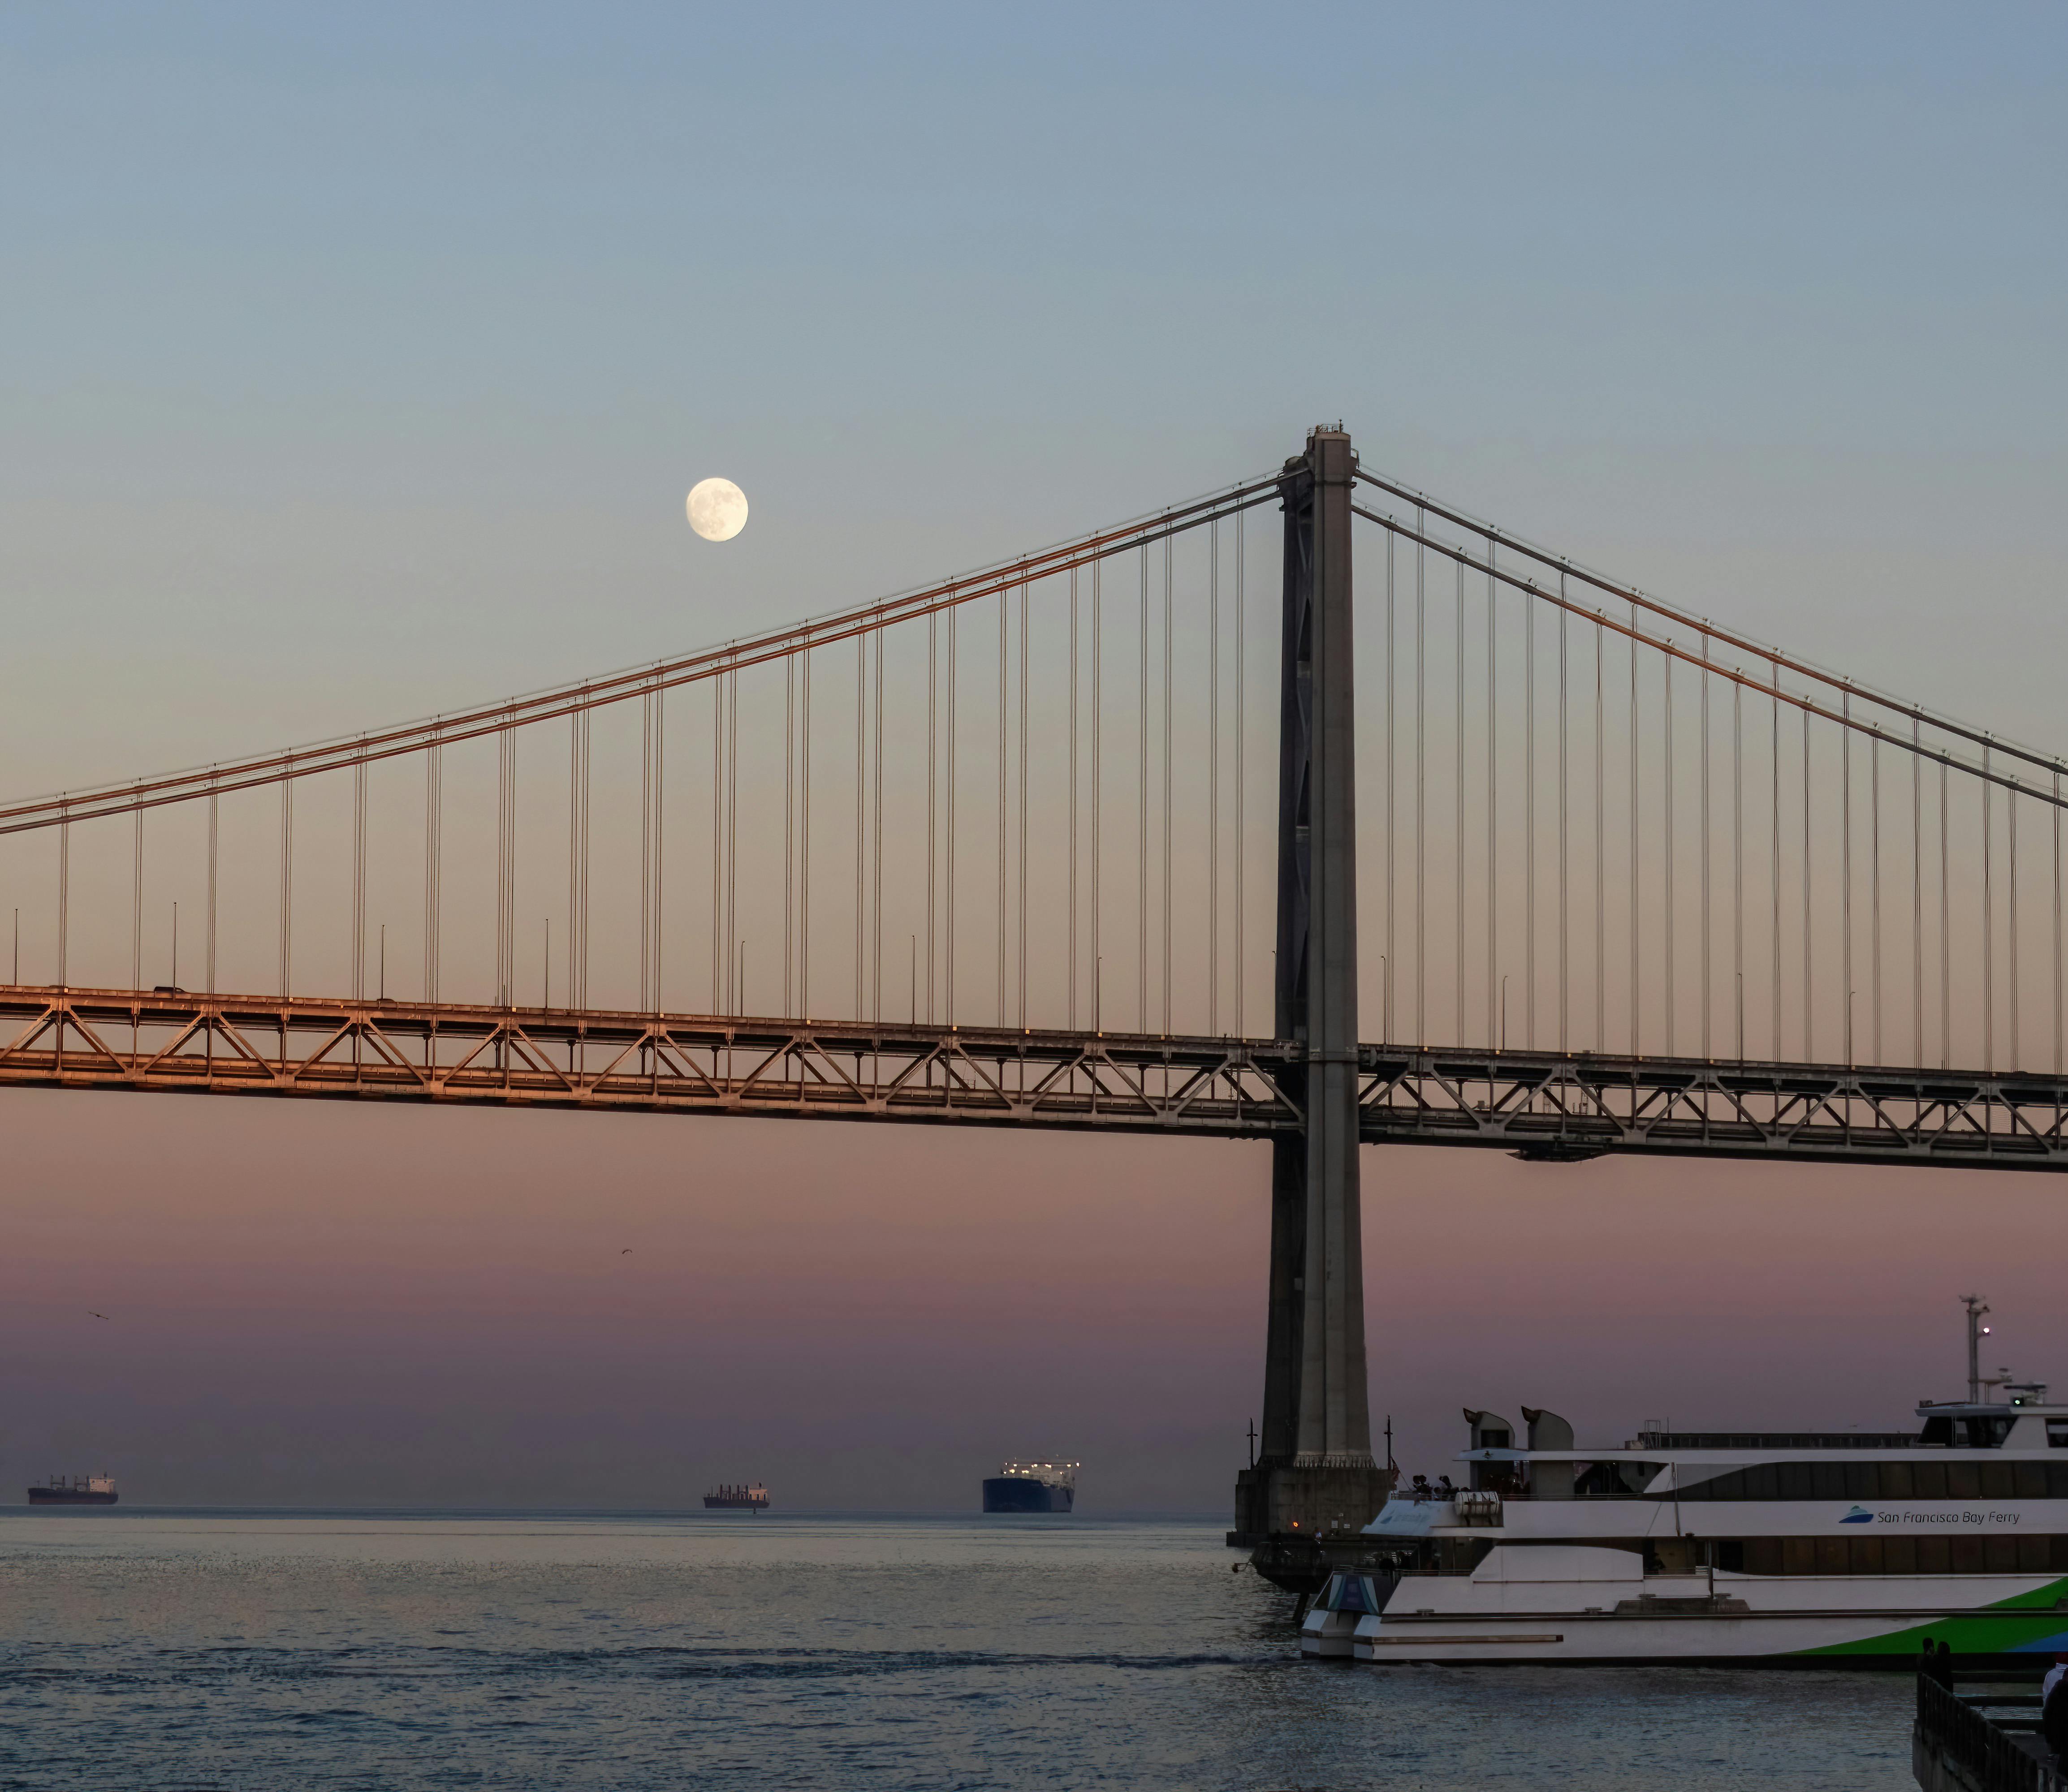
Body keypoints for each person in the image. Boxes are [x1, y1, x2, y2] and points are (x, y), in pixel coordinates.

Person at [2042, 1655, 2068, 1765]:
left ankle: (2054, 1753)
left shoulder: (2051, 1675)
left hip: (2055, 1713)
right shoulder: (2055, 1677)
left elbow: (2046, 1695)